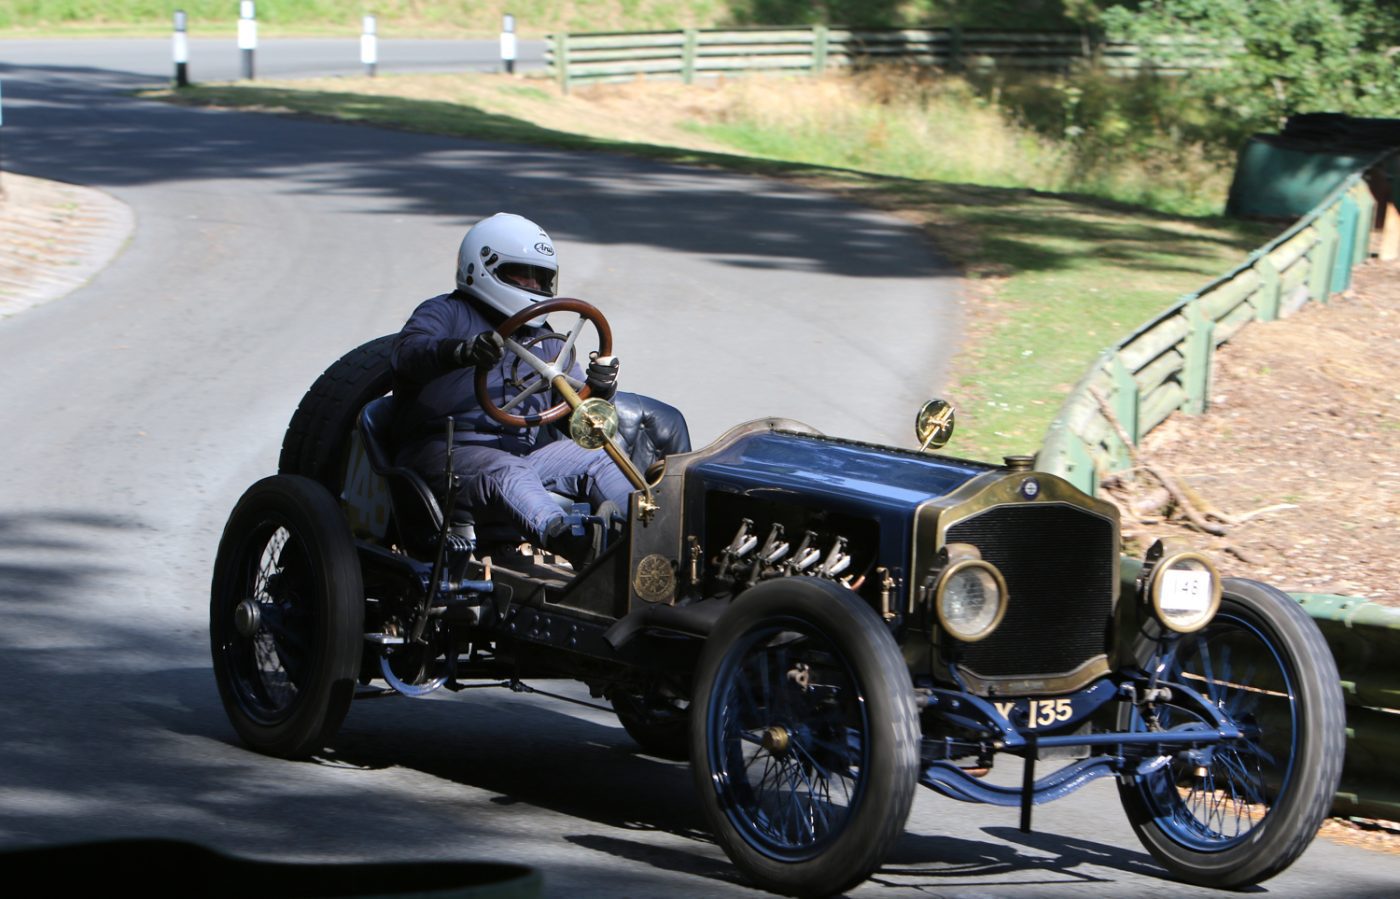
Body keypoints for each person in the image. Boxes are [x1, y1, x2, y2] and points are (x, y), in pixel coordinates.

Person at [390, 212, 631, 566]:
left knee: (599, 456)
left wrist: (598, 390)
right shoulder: (447, 311)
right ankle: (572, 540)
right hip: (447, 455)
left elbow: (572, 419)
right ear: (483, 266)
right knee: (507, 470)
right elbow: (407, 353)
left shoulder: (546, 338)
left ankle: (643, 536)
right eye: (523, 275)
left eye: (541, 279)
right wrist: (462, 351)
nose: (533, 287)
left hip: (523, 458)